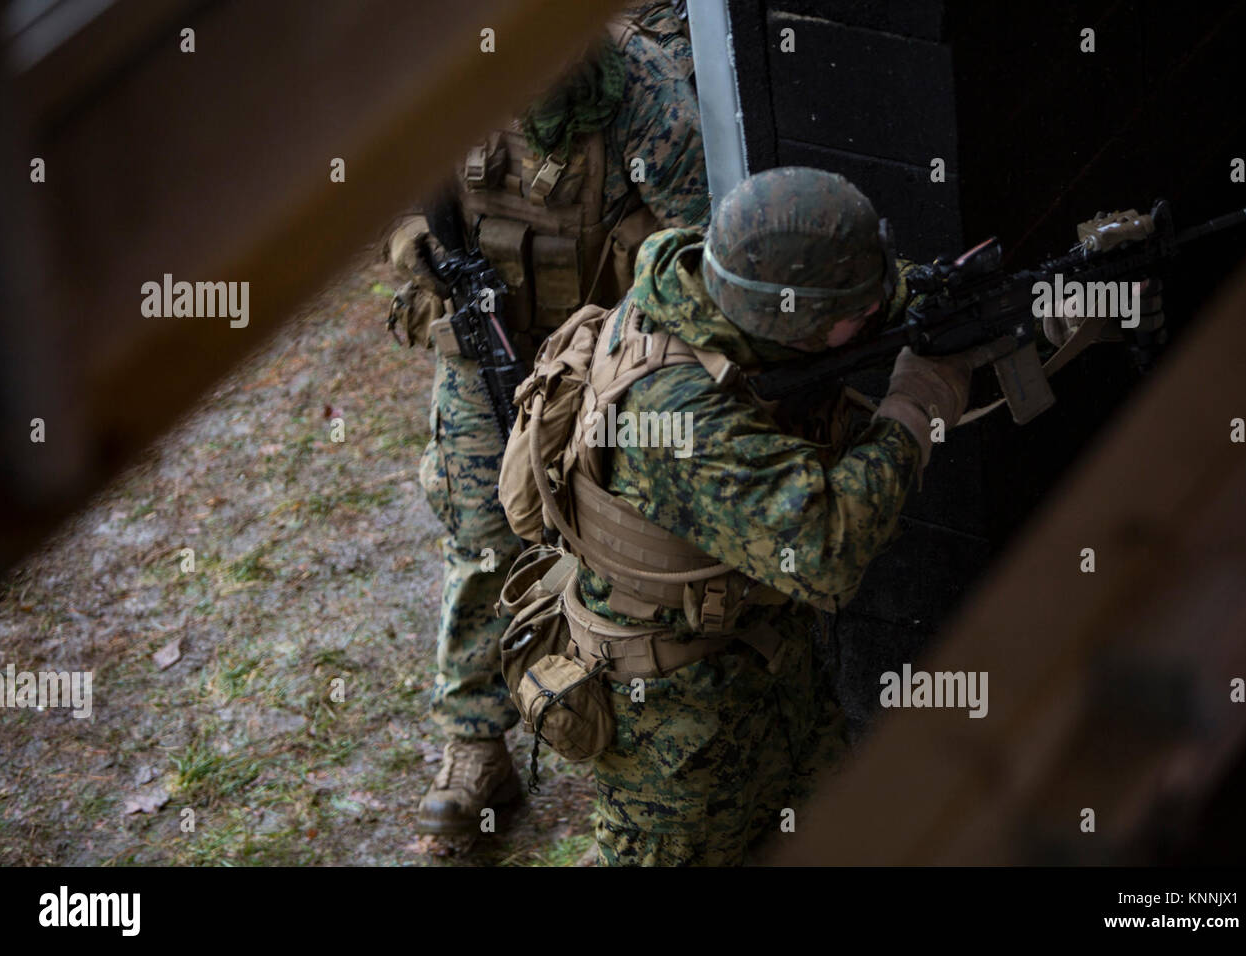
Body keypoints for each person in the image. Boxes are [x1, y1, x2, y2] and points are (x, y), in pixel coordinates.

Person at [501, 165, 990, 865]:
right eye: (858, 312)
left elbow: (865, 295)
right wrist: (917, 402)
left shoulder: (720, 274)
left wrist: (951, 298)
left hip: (765, 667)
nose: (874, 313)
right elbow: (828, 550)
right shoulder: (678, 415)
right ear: (789, 322)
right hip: (678, 736)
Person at [382, 2, 710, 836]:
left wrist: (638, 351)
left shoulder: (645, 94)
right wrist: (411, 236)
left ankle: (635, 736)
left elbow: (701, 251)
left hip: (608, 363)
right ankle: (475, 746)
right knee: (484, 534)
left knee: (626, 546)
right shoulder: (439, 81)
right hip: (480, 342)